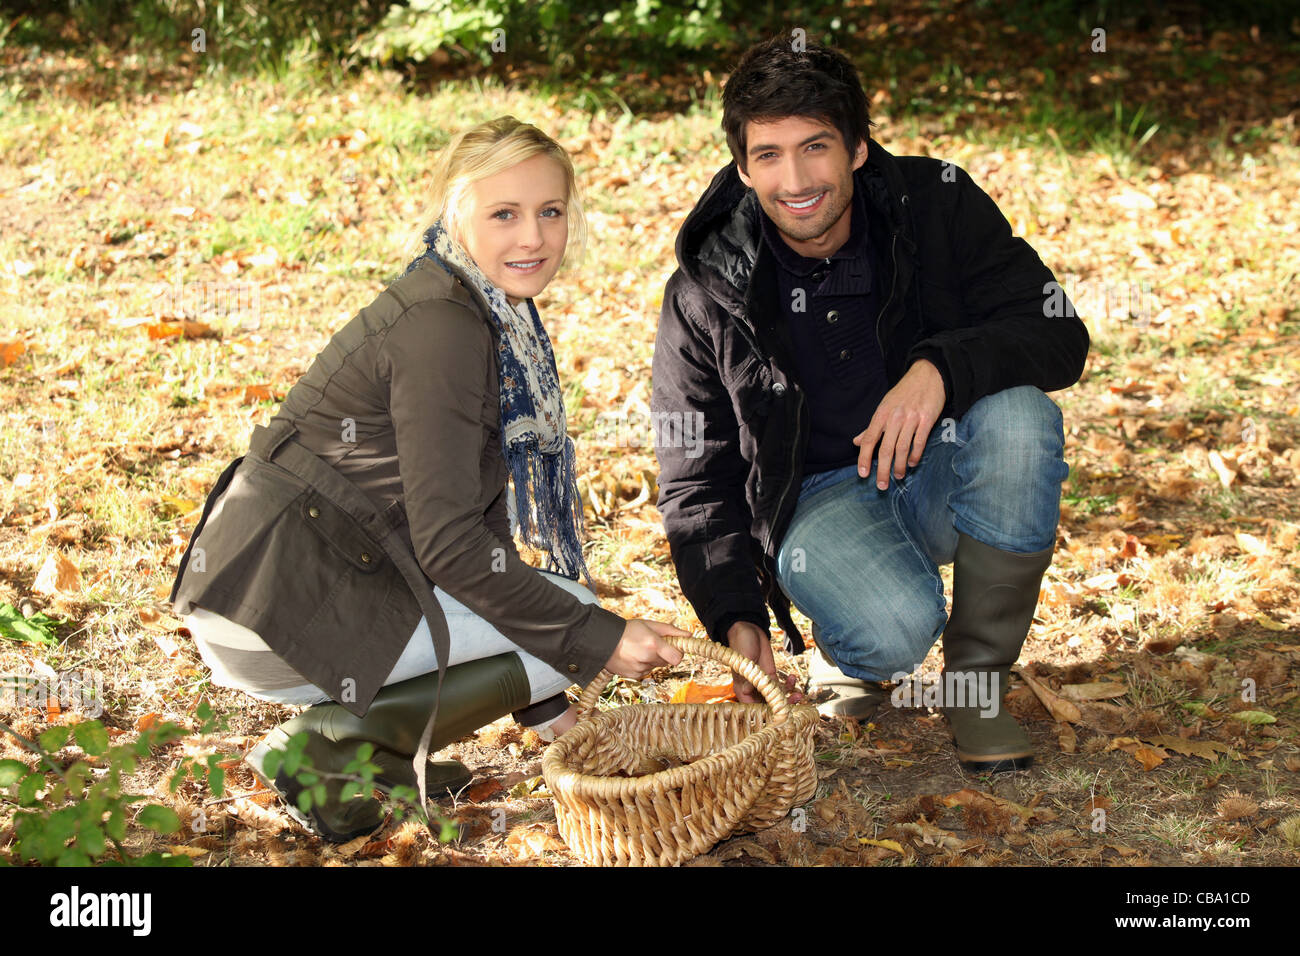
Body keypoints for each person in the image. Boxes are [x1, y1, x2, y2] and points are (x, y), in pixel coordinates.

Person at [171, 116, 687, 842]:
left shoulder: (473, 305)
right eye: (503, 215)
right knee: (572, 616)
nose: (532, 238)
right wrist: (593, 640)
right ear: (456, 215)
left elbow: (472, 521)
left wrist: (556, 711)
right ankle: (324, 749)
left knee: (560, 620)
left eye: (549, 212)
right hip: (276, 610)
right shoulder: (443, 327)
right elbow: (451, 548)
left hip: (295, 587)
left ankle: (378, 751)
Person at [651, 38, 1088, 773]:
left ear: (857, 147)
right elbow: (696, 474)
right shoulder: (707, 289)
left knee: (1021, 417)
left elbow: (1057, 332)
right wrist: (734, 618)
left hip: (942, 460)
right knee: (891, 628)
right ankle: (854, 650)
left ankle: (977, 685)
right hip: (820, 499)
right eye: (769, 155)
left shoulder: (937, 202)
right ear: (742, 166)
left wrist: (939, 367)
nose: (795, 180)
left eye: (816, 147)